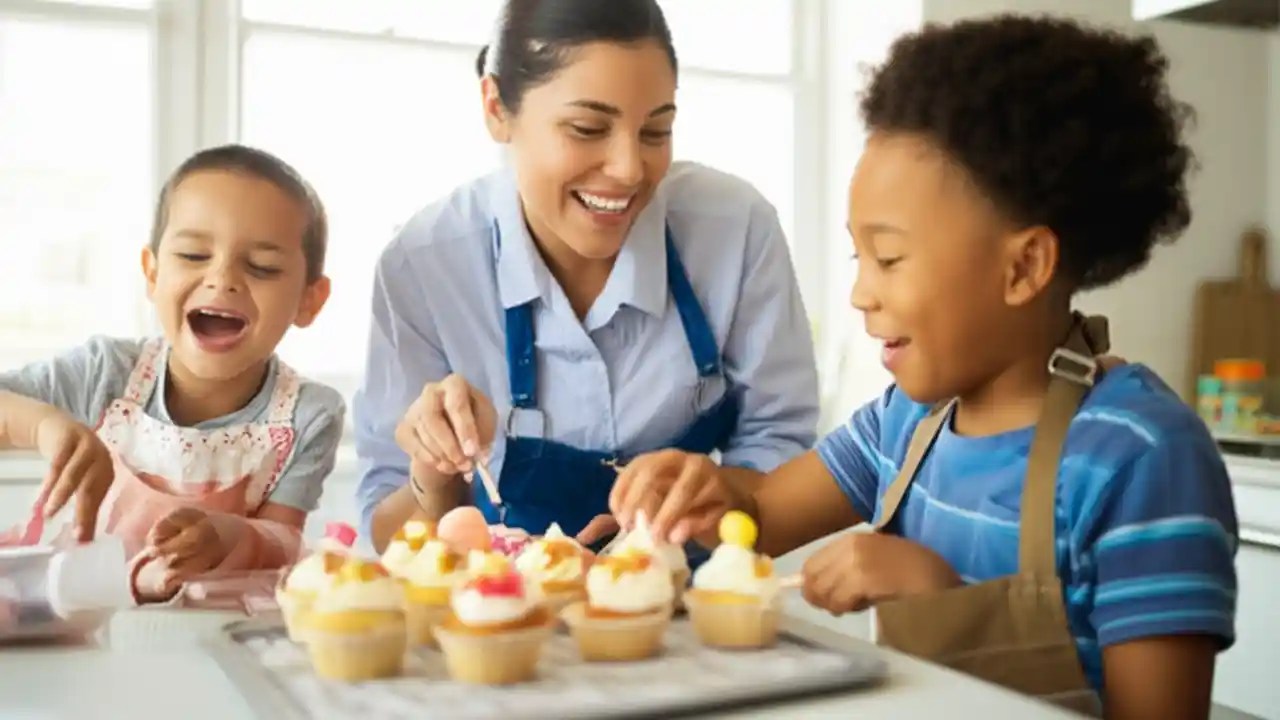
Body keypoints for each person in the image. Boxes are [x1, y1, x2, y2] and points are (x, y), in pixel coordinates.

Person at [608, 15, 1236, 719]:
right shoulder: (908, 423)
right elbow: (760, 515)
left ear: (1023, 266)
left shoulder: (1139, 458)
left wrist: (938, 599)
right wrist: (705, 490)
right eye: (859, 257)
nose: (861, 293)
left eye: (892, 258)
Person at [354, 0, 819, 559]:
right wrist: (432, 469)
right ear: (497, 108)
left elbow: (782, 450)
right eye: (587, 128)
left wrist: (724, 494)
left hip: (693, 611)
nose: (629, 169)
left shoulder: (736, 230)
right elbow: (387, 533)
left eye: (656, 131)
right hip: (499, 621)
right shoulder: (424, 264)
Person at [0, 144, 346, 602]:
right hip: (74, 621)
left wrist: (231, 538)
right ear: (152, 273)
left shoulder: (309, 415)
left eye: (262, 267)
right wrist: (45, 426)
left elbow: (281, 542)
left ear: (310, 300)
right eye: (193, 255)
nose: (222, 279)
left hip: (208, 636)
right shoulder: (103, 374)